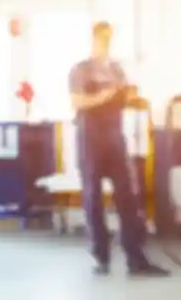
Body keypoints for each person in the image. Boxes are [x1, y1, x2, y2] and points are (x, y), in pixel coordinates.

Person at [67, 21, 169, 277]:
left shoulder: (117, 69)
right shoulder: (80, 70)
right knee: (93, 198)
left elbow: (124, 98)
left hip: (114, 137)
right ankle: (100, 256)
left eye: (108, 38)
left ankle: (136, 258)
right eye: (101, 38)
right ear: (92, 39)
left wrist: (132, 98)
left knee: (127, 196)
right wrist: (105, 95)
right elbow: (77, 101)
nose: (105, 42)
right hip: (90, 138)